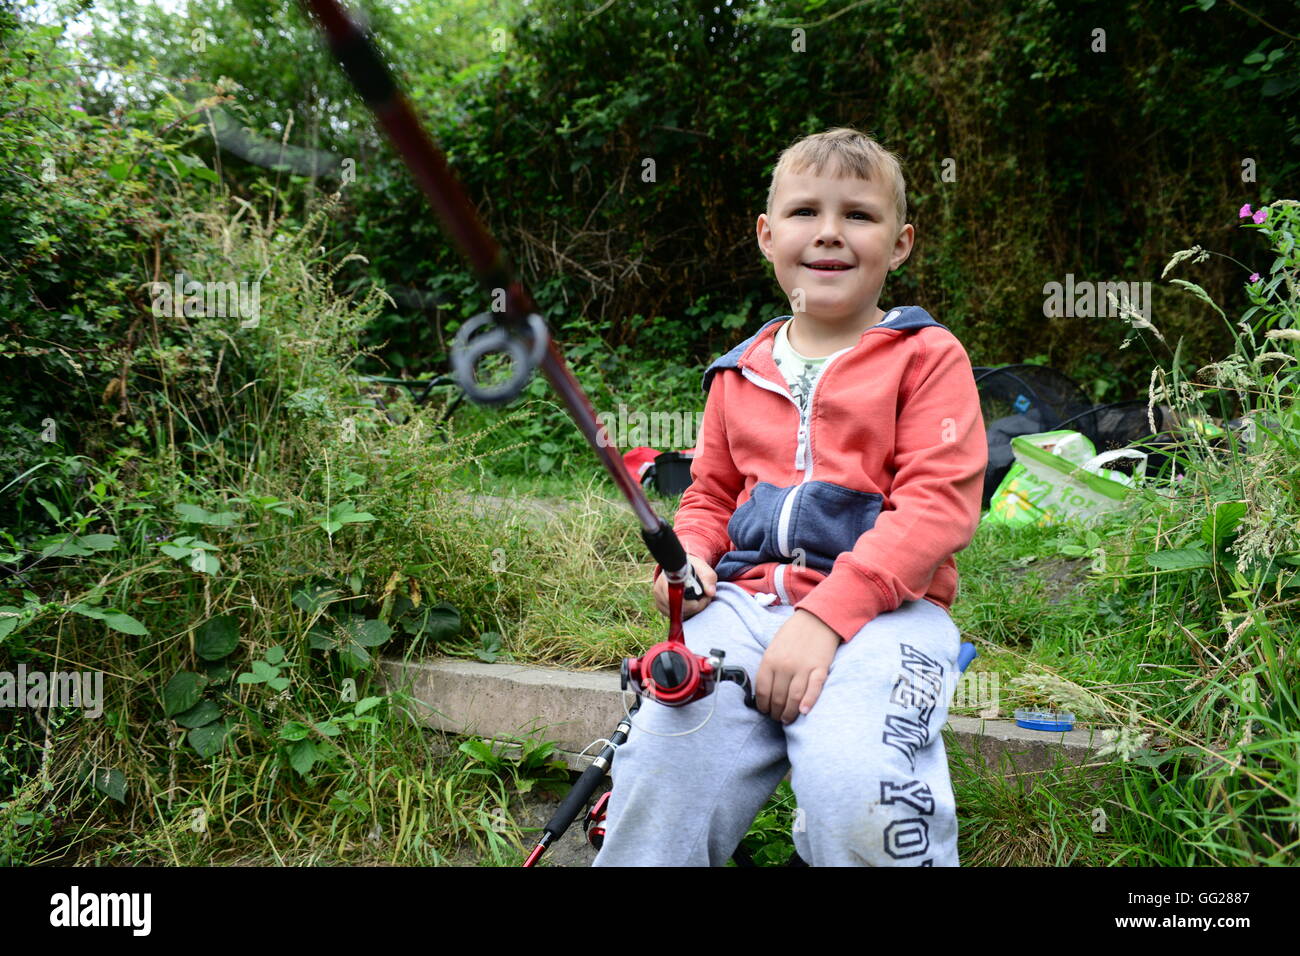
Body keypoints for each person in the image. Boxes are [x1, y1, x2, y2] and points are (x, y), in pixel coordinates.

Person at [591, 127, 987, 866]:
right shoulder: (735, 373)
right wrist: (690, 563)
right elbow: (708, 495)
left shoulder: (929, 357)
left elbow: (937, 507)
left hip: (887, 617)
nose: (830, 233)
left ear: (899, 244)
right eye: (805, 212)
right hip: (740, 610)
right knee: (657, 769)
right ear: (768, 237)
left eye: (859, 216)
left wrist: (824, 620)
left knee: (860, 791)